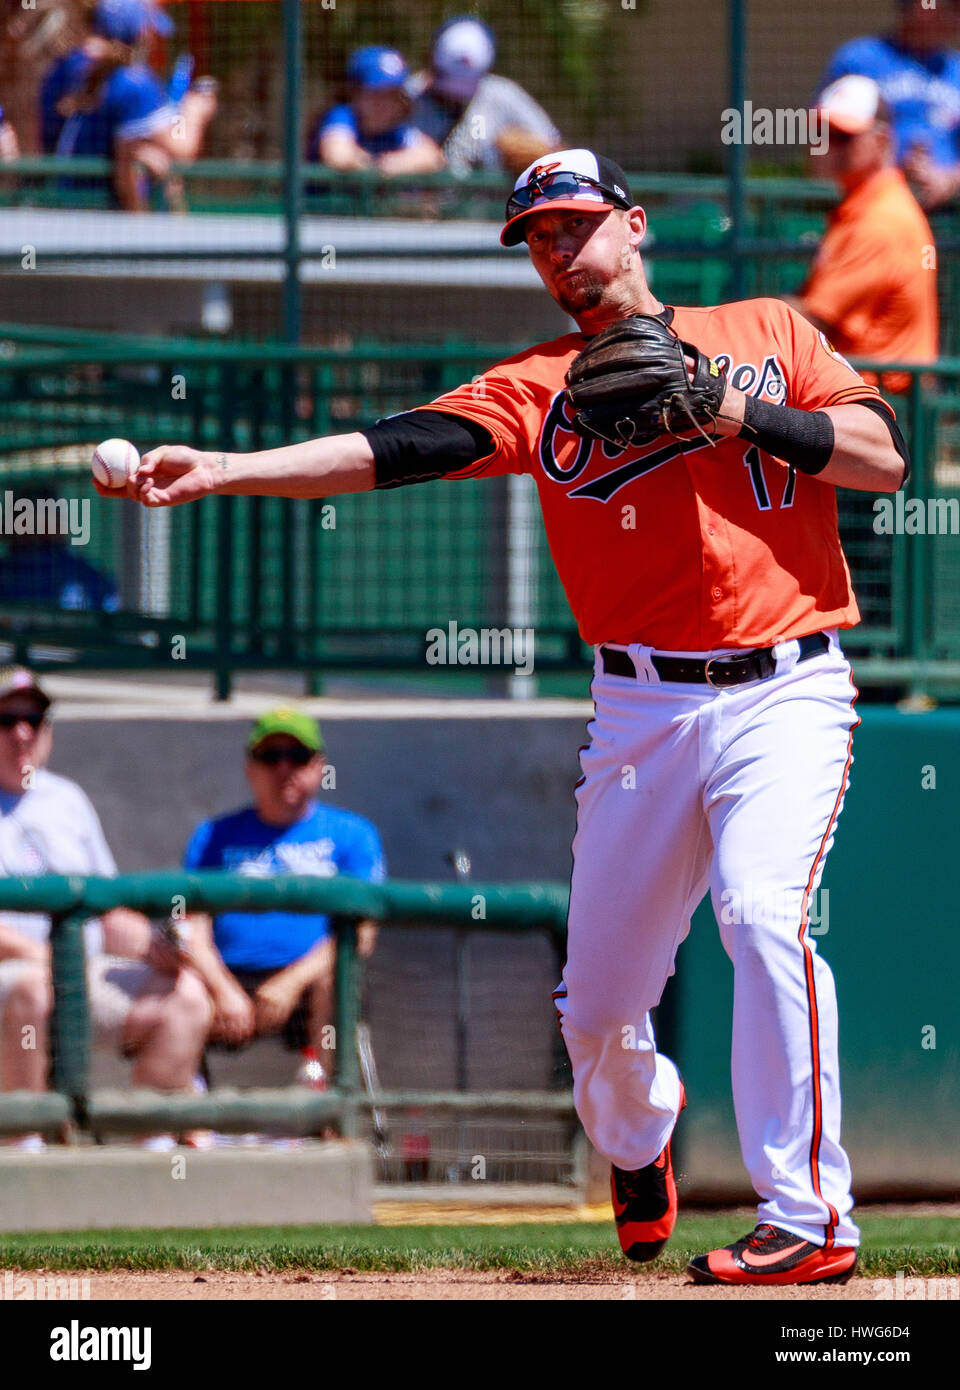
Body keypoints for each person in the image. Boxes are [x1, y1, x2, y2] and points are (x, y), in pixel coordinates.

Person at [98, 147, 909, 1285]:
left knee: (764, 914)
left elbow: (885, 457)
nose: (559, 253)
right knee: (596, 1014)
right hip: (640, 709)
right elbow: (392, 449)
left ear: (634, 225)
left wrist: (728, 408)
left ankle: (811, 1214)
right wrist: (229, 466)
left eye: (575, 225)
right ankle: (641, 1139)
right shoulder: (543, 386)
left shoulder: (767, 327)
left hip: (787, 688)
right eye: (536, 239)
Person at [0, 665, 211, 1147]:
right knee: (34, 989)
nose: (21, 732)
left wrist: (155, 945)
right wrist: (45, 959)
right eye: (7, 720)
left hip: (79, 971)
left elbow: (106, 907)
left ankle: (143, 1151)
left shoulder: (67, 799)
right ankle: (24, 1146)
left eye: (33, 719)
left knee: (188, 995)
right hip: (15, 973)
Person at [180, 708, 384, 1086]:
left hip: (311, 985)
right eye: (270, 757)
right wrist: (225, 990)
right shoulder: (213, 836)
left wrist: (290, 983)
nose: (284, 768)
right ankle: (187, 1124)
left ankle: (324, 1107)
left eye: (298, 757)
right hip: (228, 983)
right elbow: (190, 927)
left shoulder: (353, 835)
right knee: (178, 987)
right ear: (250, 768)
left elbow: (362, 933)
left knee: (337, 979)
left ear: (319, 767)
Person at [784, 75, 938, 396]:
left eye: (844, 136)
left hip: (884, 409)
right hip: (869, 399)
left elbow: (813, 318)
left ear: (881, 141)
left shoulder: (882, 218)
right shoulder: (867, 205)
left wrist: (735, 321)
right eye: (822, 133)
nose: (827, 145)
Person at [40, 0, 216, 211]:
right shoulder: (133, 81)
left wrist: (145, 151)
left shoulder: (71, 66)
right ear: (139, 34)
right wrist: (194, 111)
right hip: (99, 215)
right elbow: (180, 151)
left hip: (64, 204)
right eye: (151, 31)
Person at [818, 0, 960, 209]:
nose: (957, 17)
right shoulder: (859, 59)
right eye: (954, 7)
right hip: (872, 205)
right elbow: (820, 137)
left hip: (949, 214)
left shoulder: (956, 69)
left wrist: (950, 180)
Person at [409, 16, 561, 175]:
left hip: (489, 198)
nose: (454, 95)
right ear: (430, 61)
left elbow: (555, 151)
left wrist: (520, 148)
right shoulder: (407, 96)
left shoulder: (502, 95)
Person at [307, 45, 443, 176]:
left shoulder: (395, 131)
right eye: (376, 94)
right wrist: (379, 166)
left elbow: (433, 156)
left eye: (392, 95)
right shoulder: (342, 116)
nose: (385, 104)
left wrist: (396, 164)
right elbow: (338, 155)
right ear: (355, 93)